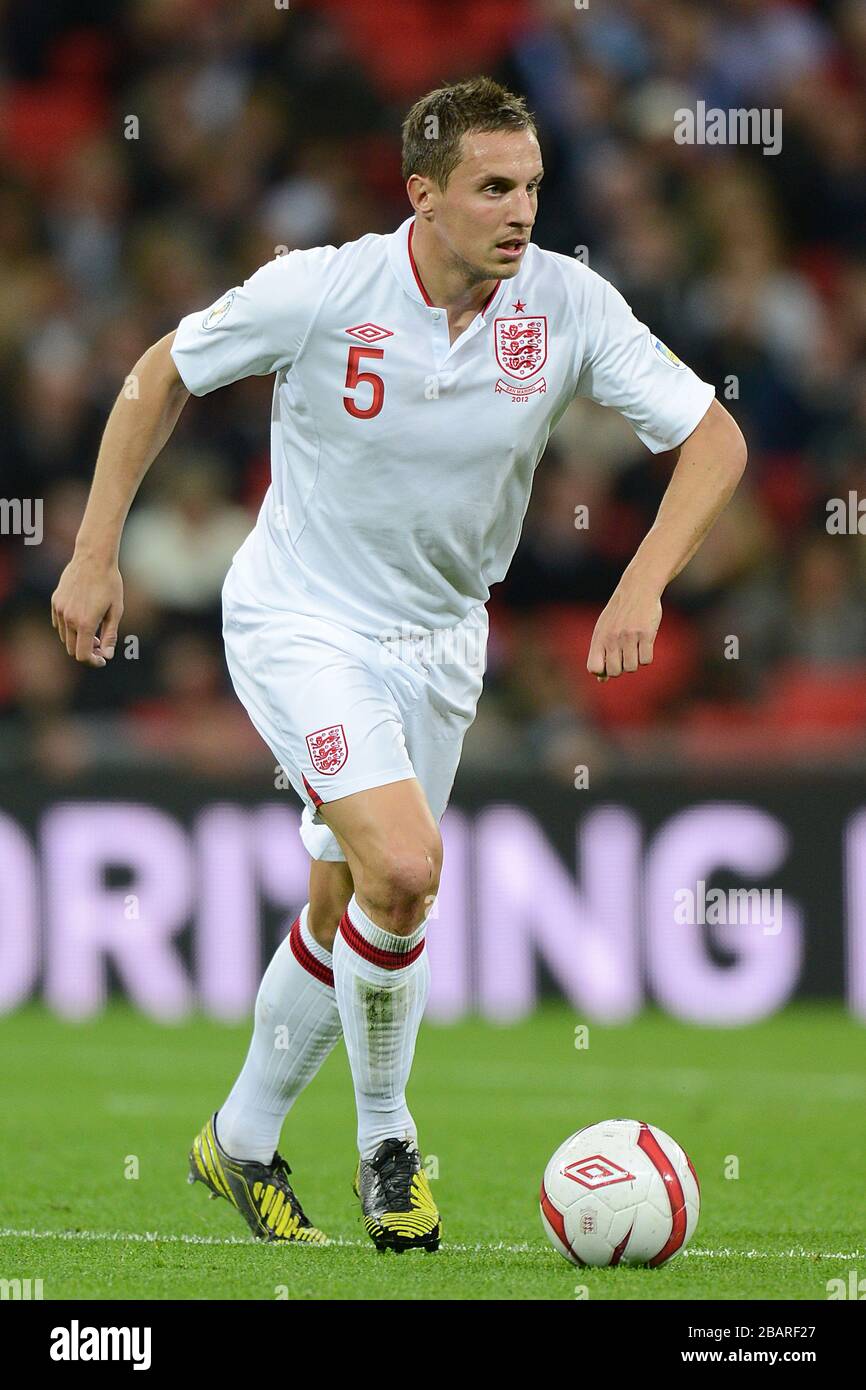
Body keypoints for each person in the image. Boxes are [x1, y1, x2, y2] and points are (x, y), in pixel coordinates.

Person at [50, 76, 747, 1253]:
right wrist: (92, 549)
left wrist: (641, 581)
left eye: (530, 185)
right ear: (421, 196)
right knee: (409, 866)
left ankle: (241, 1139)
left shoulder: (565, 305)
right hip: (301, 618)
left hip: (439, 639)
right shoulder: (324, 291)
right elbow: (156, 372)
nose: (519, 209)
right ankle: (387, 1141)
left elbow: (713, 437)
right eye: (491, 188)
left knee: (356, 900)